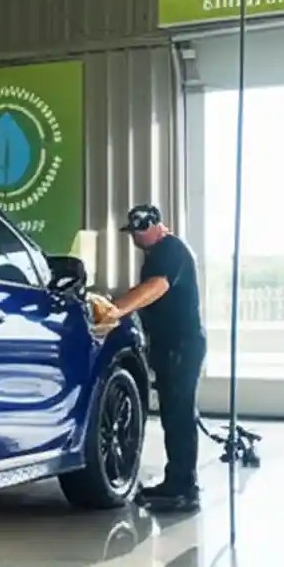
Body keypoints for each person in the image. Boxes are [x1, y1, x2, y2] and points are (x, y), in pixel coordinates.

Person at [97, 204, 205, 511]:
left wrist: (115, 310)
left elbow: (156, 287)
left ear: (158, 226)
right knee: (175, 412)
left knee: (178, 414)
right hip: (170, 345)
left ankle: (182, 487)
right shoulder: (158, 253)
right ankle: (179, 482)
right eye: (133, 233)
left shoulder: (169, 250)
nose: (136, 238)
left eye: (141, 232)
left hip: (181, 345)